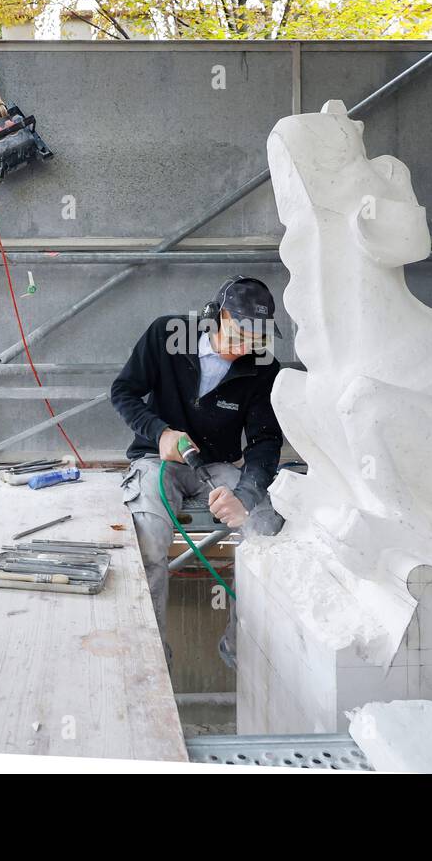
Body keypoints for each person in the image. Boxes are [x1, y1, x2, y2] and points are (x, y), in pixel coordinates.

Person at [110, 276, 285, 665]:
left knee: (264, 529)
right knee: (150, 537)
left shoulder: (263, 369)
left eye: (254, 341)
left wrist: (245, 497)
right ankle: (151, 655)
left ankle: (240, 650)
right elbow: (123, 392)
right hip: (159, 461)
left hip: (219, 466)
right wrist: (160, 433)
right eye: (238, 335)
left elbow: (265, 442)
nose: (244, 349)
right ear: (218, 315)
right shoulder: (166, 336)